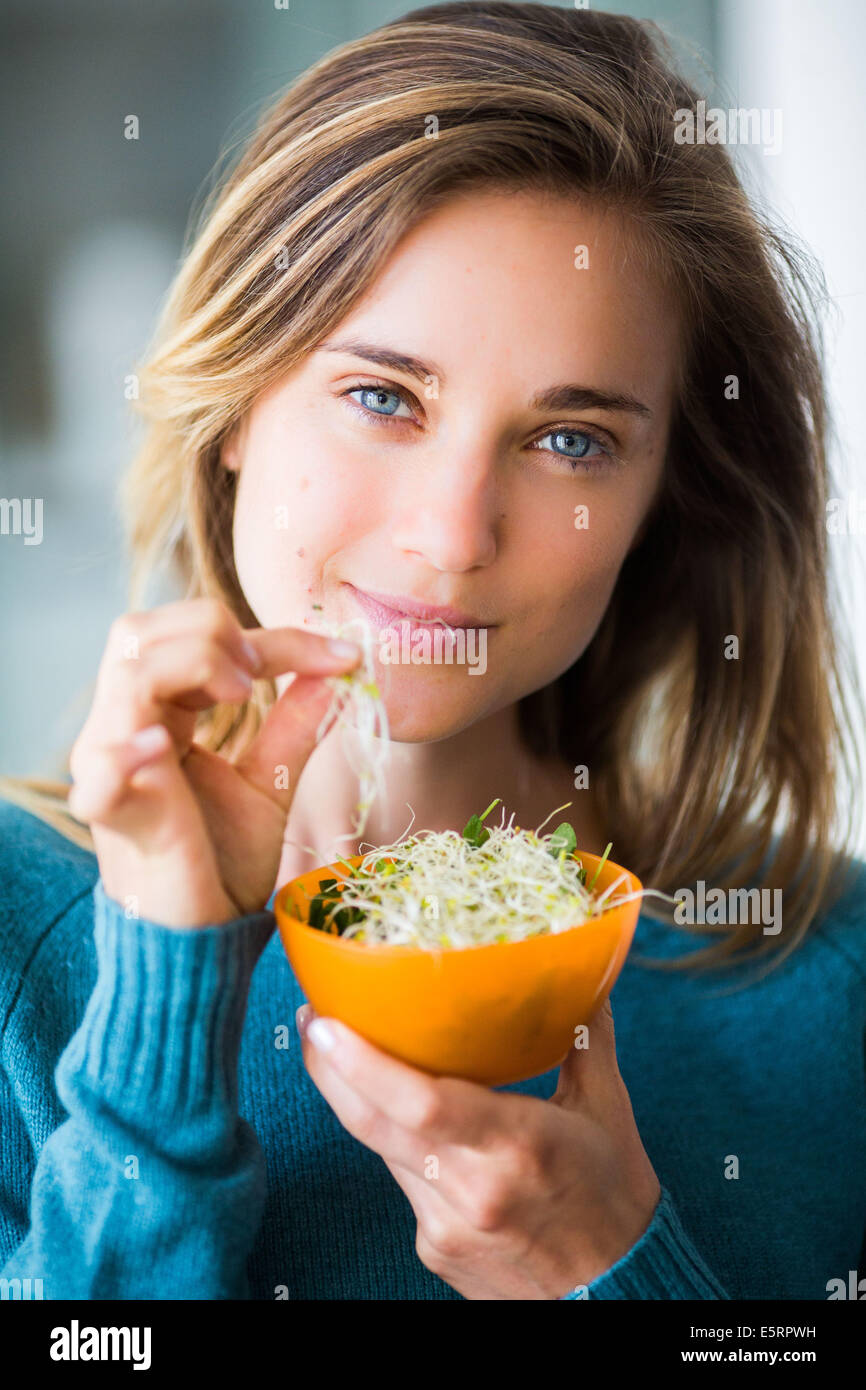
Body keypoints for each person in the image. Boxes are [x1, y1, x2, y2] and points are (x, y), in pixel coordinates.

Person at [1, 1, 864, 1301]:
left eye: (570, 437)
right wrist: (161, 1023)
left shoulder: (822, 971)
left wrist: (605, 1269)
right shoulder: (19, 934)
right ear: (236, 406)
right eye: (380, 397)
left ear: (660, 502)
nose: (452, 535)